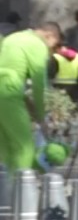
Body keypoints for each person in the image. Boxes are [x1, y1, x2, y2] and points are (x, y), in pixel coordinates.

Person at [0, 22, 60, 172]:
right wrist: (41, 115)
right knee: (24, 146)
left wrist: (26, 103)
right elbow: (39, 85)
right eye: (53, 45)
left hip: (6, 89)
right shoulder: (37, 45)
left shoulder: (12, 38)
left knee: (5, 147)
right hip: (9, 90)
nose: (51, 50)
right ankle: (21, 190)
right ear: (49, 35)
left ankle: (6, 189)